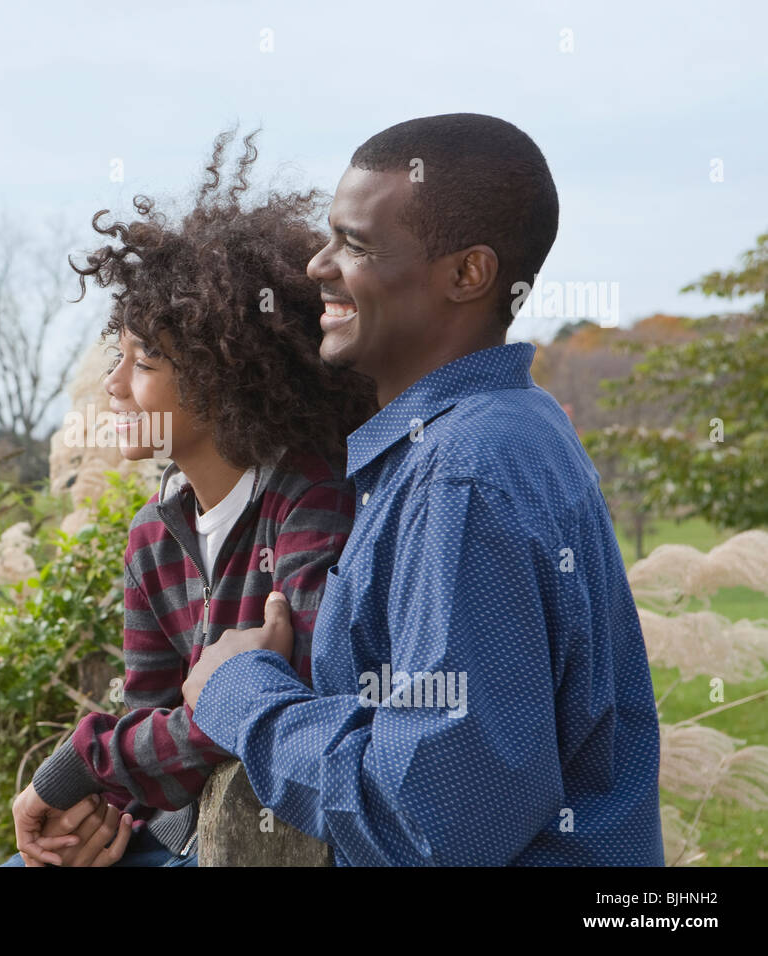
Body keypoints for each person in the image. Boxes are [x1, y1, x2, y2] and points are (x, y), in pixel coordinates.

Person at [182, 113, 666, 865]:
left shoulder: (460, 476)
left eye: (358, 245)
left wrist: (241, 692)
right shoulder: (506, 430)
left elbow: (431, 822)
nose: (317, 265)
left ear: (467, 274)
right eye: (328, 235)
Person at [2, 130, 378, 866]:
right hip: (176, 836)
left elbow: (294, 704)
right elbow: (155, 725)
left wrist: (90, 759)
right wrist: (99, 808)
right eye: (120, 355)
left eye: (145, 361)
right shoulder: (153, 539)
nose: (115, 385)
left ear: (221, 378)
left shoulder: (310, 503)